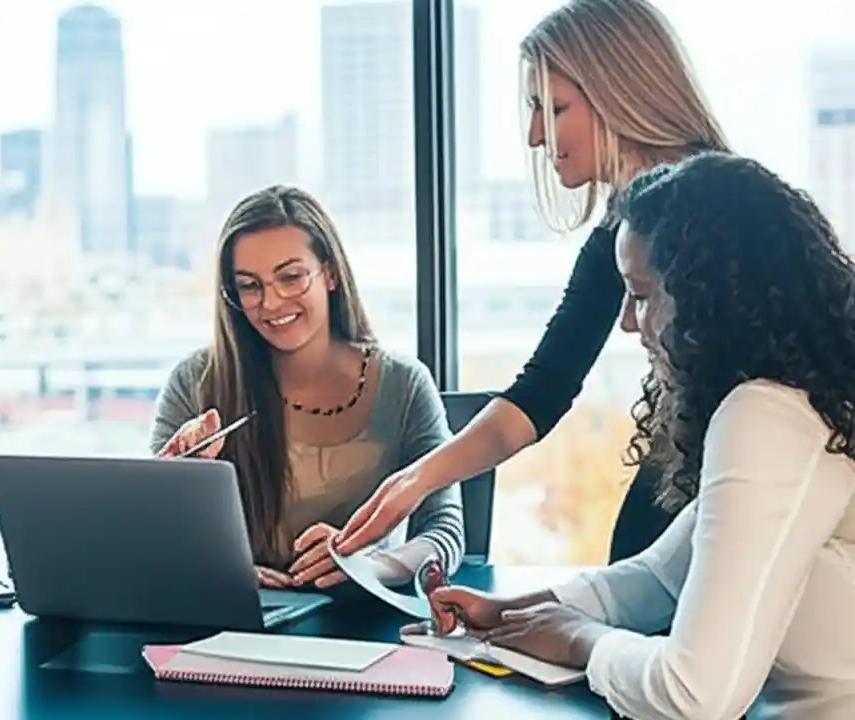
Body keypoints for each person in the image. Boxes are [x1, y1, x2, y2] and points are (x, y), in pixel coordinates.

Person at [425, 153, 855, 719]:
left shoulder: (768, 416)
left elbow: (695, 695)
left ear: (712, 298)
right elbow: (661, 576)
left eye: (643, 293)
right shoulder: (799, 399)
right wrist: (515, 613)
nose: (629, 321)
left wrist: (581, 639)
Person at [335, 0, 730, 562]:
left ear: (617, 94)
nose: (535, 136)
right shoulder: (617, 236)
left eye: (554, 107)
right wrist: (413, 483)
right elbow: (540, 393)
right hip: (690, 462)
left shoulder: (723, 208)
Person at [150, 185, 463, 592]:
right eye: (250, 285)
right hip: (237, 620)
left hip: (363, 621)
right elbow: (157, 540)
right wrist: (176, 487)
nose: (272, 302)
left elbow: (445, 531)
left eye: (291, 277)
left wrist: (370, 566)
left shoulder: (404, 385)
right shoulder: (195, 382)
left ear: (330, 274)